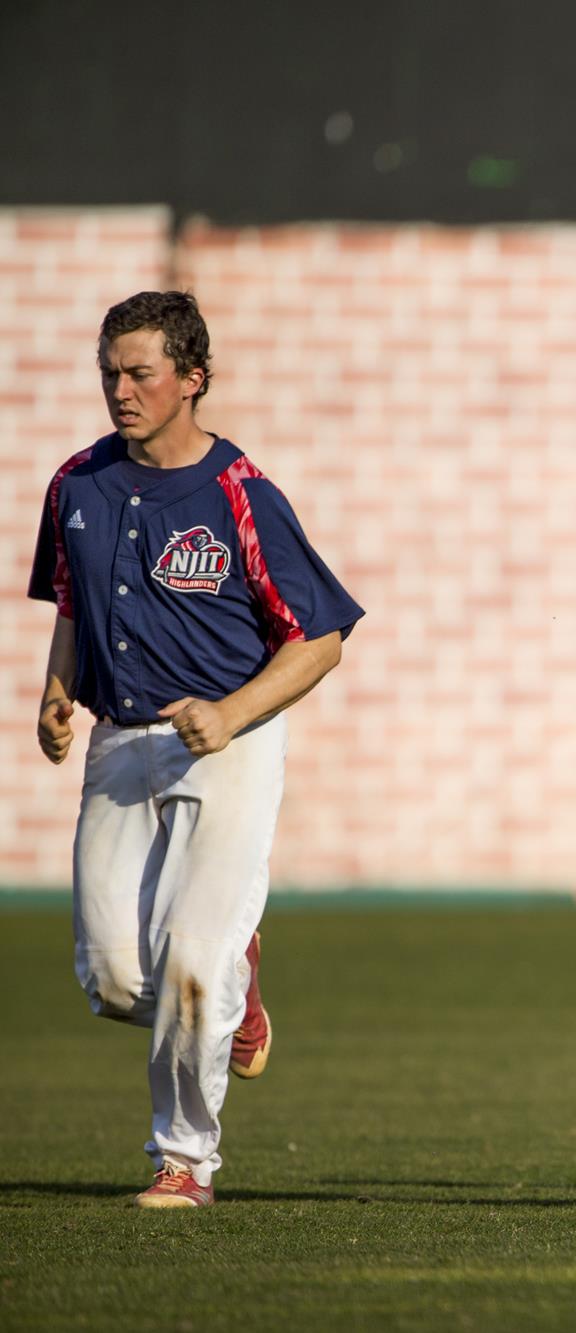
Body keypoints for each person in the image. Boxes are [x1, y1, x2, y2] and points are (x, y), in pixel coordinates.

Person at [30, 291, 363, 1208]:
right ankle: (237, 985)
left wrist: (231, 712)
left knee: (188, 964)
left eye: (140, 372)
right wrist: (58, 697)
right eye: (111, 372)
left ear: (193, 379)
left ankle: (184, 1161)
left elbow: (321, 640)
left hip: (228, 744)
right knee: (113, 977)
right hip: (119, 744)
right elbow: (70, 605)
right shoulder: (76, 485)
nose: (121, 389)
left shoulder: (241, 494)